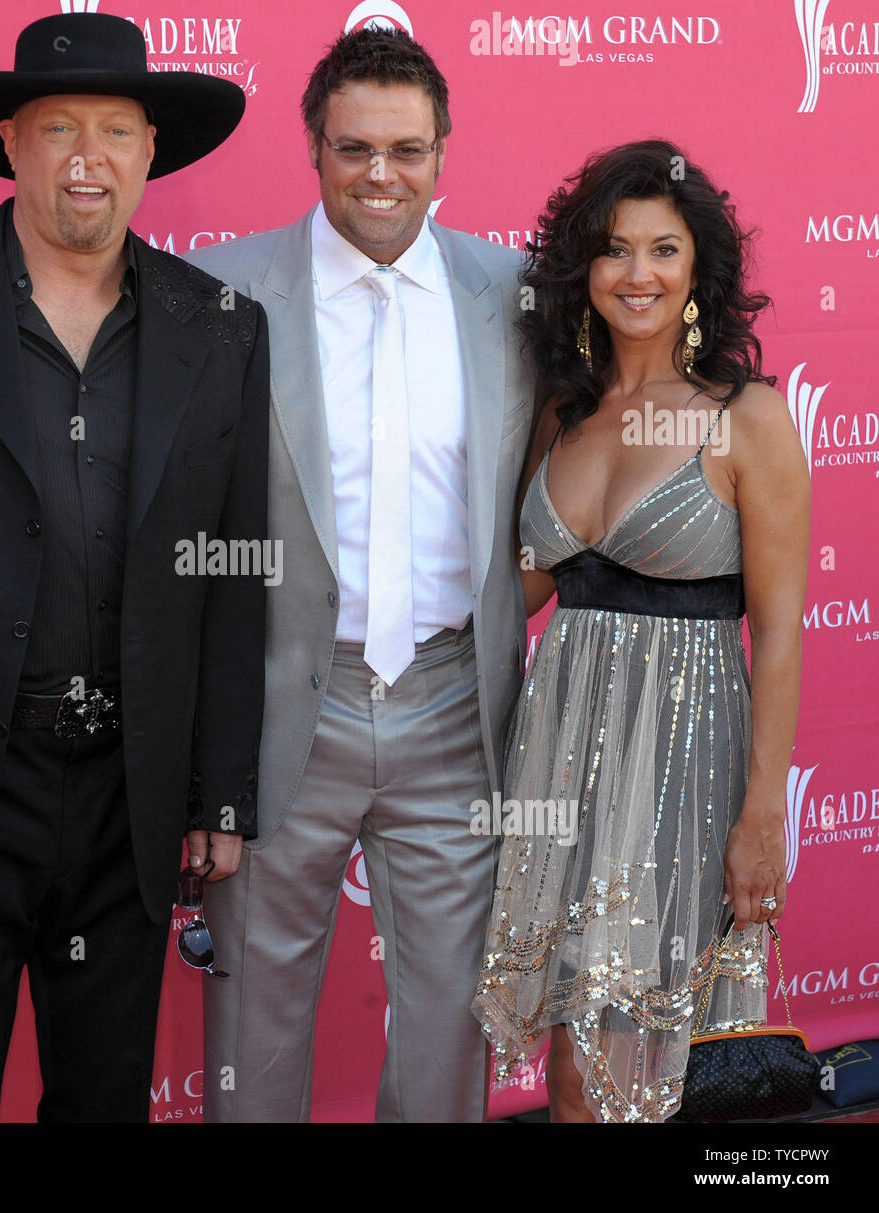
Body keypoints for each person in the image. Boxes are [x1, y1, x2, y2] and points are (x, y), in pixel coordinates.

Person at [0, 11, 268, 1123]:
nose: (86, 157)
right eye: (56, 128)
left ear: (149, 151)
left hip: (128, 798)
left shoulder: (223, 326)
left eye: (113, 130)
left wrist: (219, 787)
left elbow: (233, 571)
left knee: (103, 1098)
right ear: (8, 141)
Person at [185, 26, 535, 1122]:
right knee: (256, 1020)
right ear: (313, 146)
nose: (381, 175)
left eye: (407, 149)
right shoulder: (222, 289)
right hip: (285, 702)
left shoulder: (515, 292)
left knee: (448, 1030)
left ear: (442, 150)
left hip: (452, 702)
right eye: (354, 149)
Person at [471, 140, 809, 1122]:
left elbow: (781, 638)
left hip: (683, 777)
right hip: (558, 766)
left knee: (645, 1074)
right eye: (616, 250)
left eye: (663, 250)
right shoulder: (561, 413)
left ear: (698, 267)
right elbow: (523, 591)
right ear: (586, 269)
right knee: (573, 1070)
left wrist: (762, 816)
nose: (638, 274)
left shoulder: (747, 418)